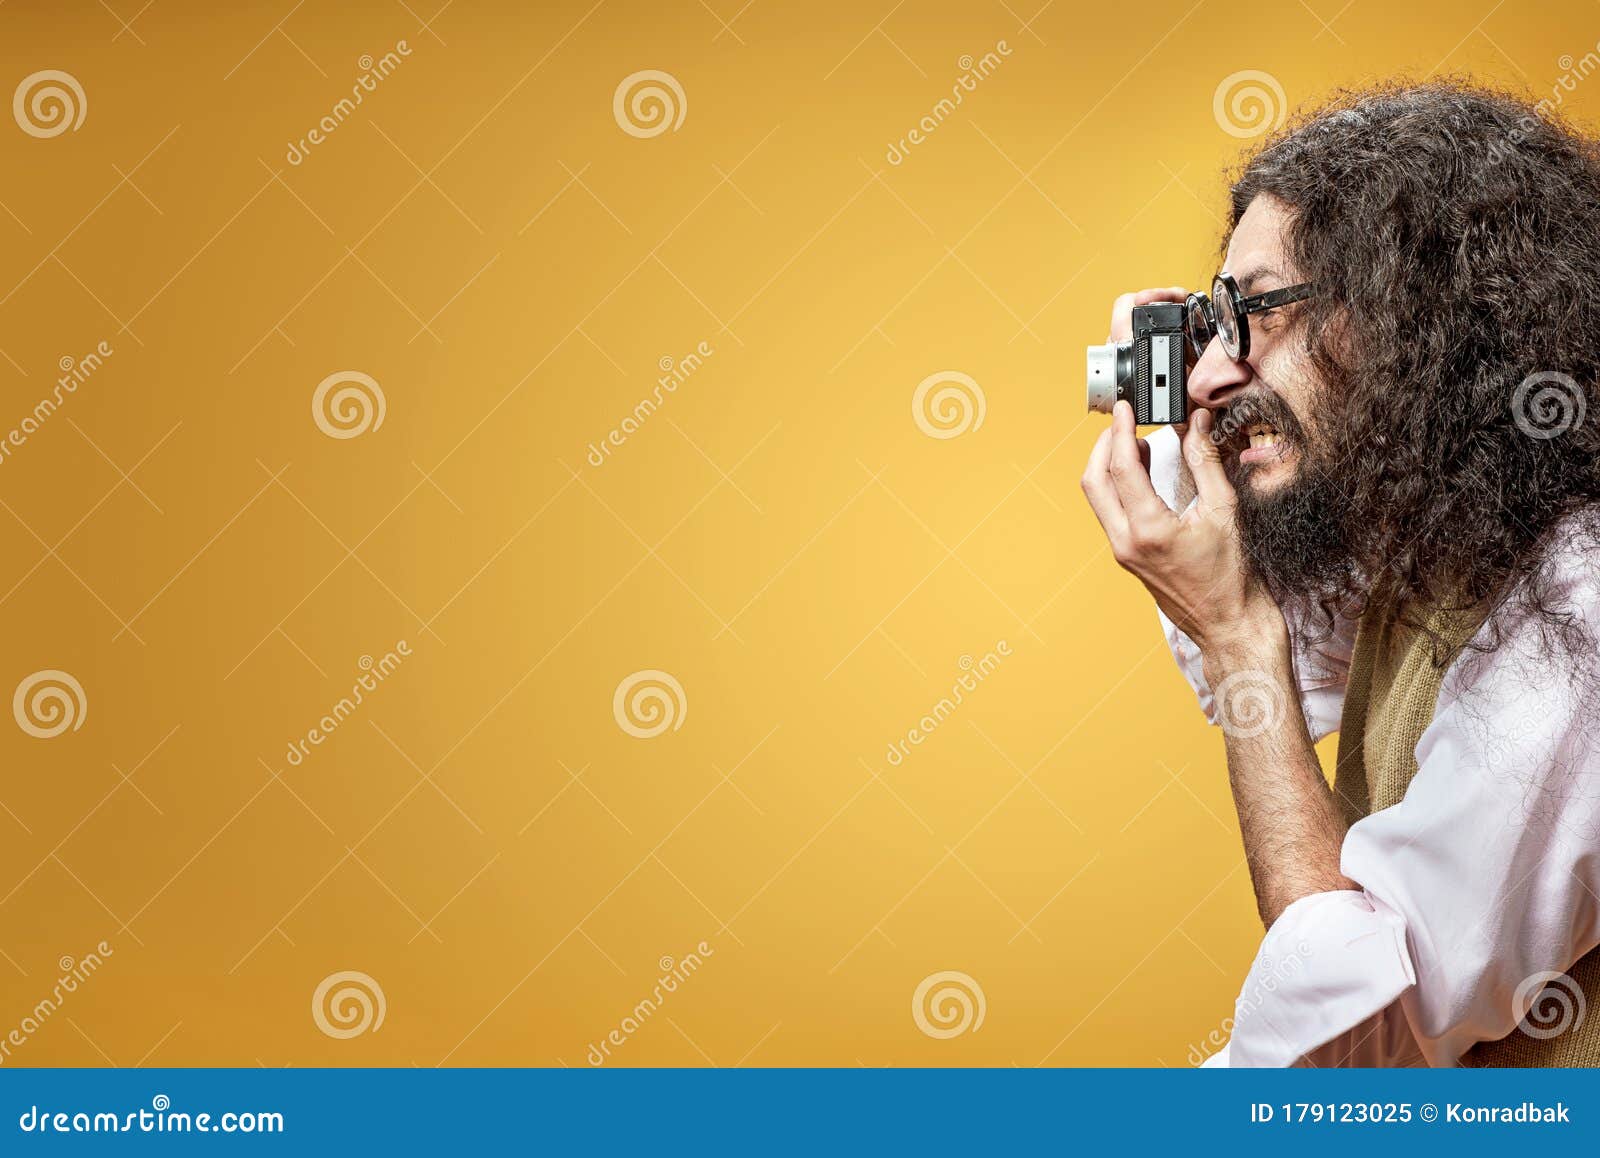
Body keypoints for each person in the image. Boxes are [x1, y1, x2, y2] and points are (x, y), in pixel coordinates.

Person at [1080, 81, 1600, 1066]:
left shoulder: (1580, 600)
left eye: (1255, 311)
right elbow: (1295, 674)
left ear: (1417, 313)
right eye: (1210, 324)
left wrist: (1237, 637)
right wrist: (1173, 436)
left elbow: (1363, 1042)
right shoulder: (1441, 545)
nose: (1207, 376)